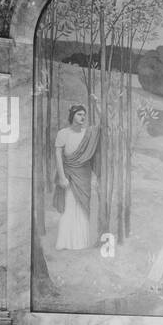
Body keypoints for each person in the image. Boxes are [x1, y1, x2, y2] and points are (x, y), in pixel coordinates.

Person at [53, 102, 100, 250]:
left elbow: (104, 124)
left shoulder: (88, 133)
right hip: (69, 175)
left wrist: (97, 105)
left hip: (84, 176)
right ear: (72, 115)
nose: (83, 117)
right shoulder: (63, 133)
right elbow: (58, 155)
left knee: (82, 207)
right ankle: (65, 242)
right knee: (69, 205)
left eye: (84, 115)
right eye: (79, 114)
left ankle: (81, 242)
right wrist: (61, 177)